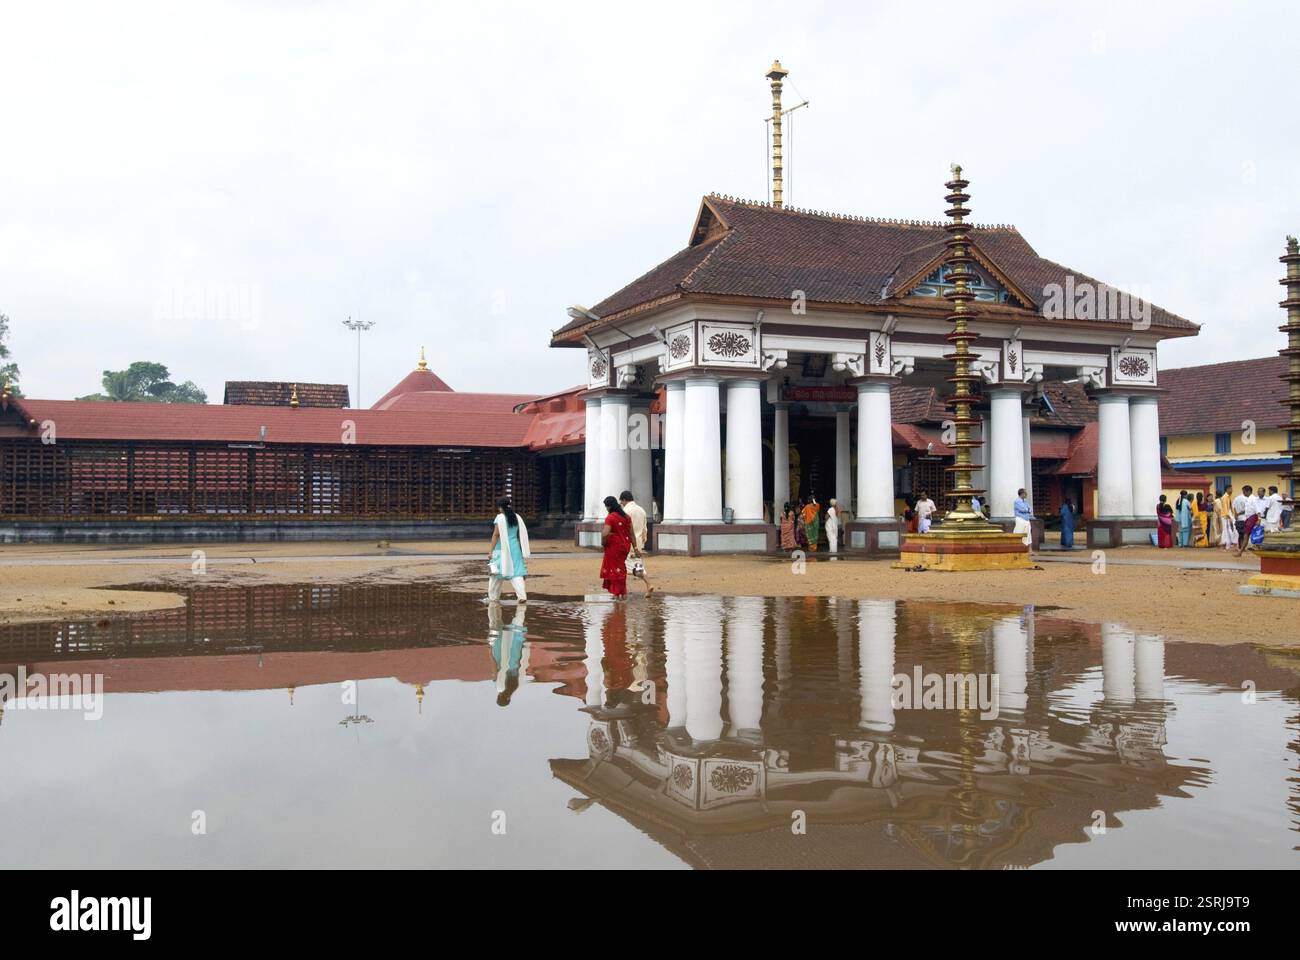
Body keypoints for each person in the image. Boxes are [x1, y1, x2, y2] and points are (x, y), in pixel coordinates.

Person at [487, 497, 530, 602]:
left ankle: (493, 598)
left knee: (496, 573)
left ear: (500, 507)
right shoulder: (517, 517)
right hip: (515, 546)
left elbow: (496, 535)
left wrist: (490, 551)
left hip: (501, 547)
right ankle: (522, 596)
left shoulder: (500, 518)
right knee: (517, 571)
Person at [600, 495, 638, 599]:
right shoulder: (626, 517)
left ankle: (619, 593)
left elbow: (605, 534)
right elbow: (632, 534)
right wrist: (635, 548)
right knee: (621, 568)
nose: (606, 509)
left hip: (614, 547)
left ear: (609, 506)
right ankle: (621, 592)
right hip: (625, 546)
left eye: (606, 507)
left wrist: (603, 543)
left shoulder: (610, 517)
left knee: (615, 569)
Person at [618, 490, 654, 595]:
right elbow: (644, 529)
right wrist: (642, 543)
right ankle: (648, 584)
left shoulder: (625, 511)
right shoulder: (641, 510)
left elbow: (623, 529)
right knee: (637, 566)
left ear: (624, 500)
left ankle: (621, 590)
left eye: (622, 502)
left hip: (627, 543)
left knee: (621, 567)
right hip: (637, 543)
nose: (622, 504)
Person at [1237, 487, 1264, 557]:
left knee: (1247, 535)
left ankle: (1240, 552)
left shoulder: (1253, 499)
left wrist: (1259, 519)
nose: (1243, 493)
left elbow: (1258, 510)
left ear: (1248, 491)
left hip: (1252, 518)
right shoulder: (1248, 499)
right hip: (1249, 518)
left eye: (1244, 492)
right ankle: (1241, 551)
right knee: (1248, 535)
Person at [1219, 485, 1238, 550]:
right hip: (1225, 515)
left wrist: (1233, 514)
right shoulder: (1224, 497)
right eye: (1231, 489)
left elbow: (1230, 507)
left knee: (1232, 529)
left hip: (1229, 514)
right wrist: (1228, 517)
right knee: (1226, 530)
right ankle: (1227, 544)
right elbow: (1225, 508)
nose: (1232, 490)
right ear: (1227, 489)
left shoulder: (1229, 497)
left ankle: (1231, 543)